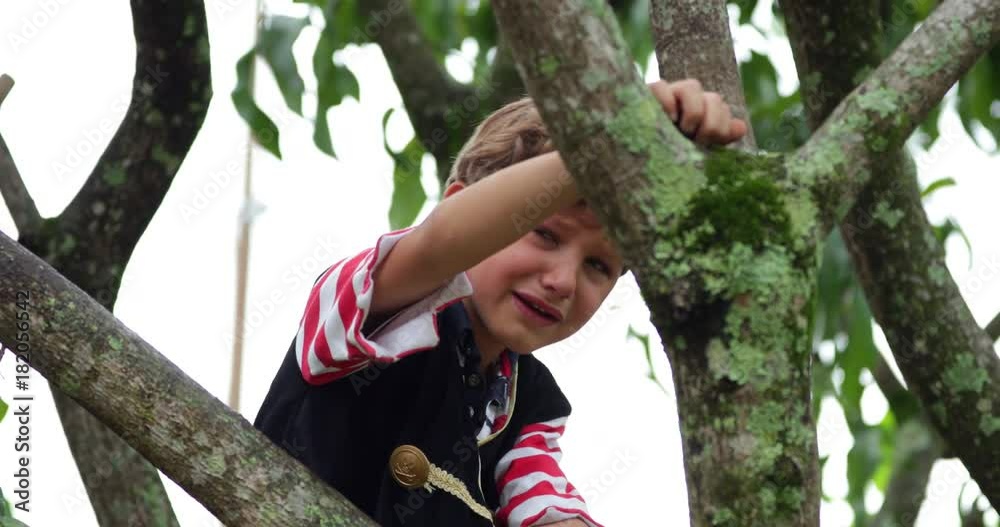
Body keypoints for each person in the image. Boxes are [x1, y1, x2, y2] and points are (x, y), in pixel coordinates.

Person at [253, 78, 747, 526]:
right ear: (460, 201)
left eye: (599, 266)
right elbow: (440, 243)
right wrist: (607, 145)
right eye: (544, 232)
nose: (563, 281)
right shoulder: (380, 301)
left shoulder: (531, 406)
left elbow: (550, 512)